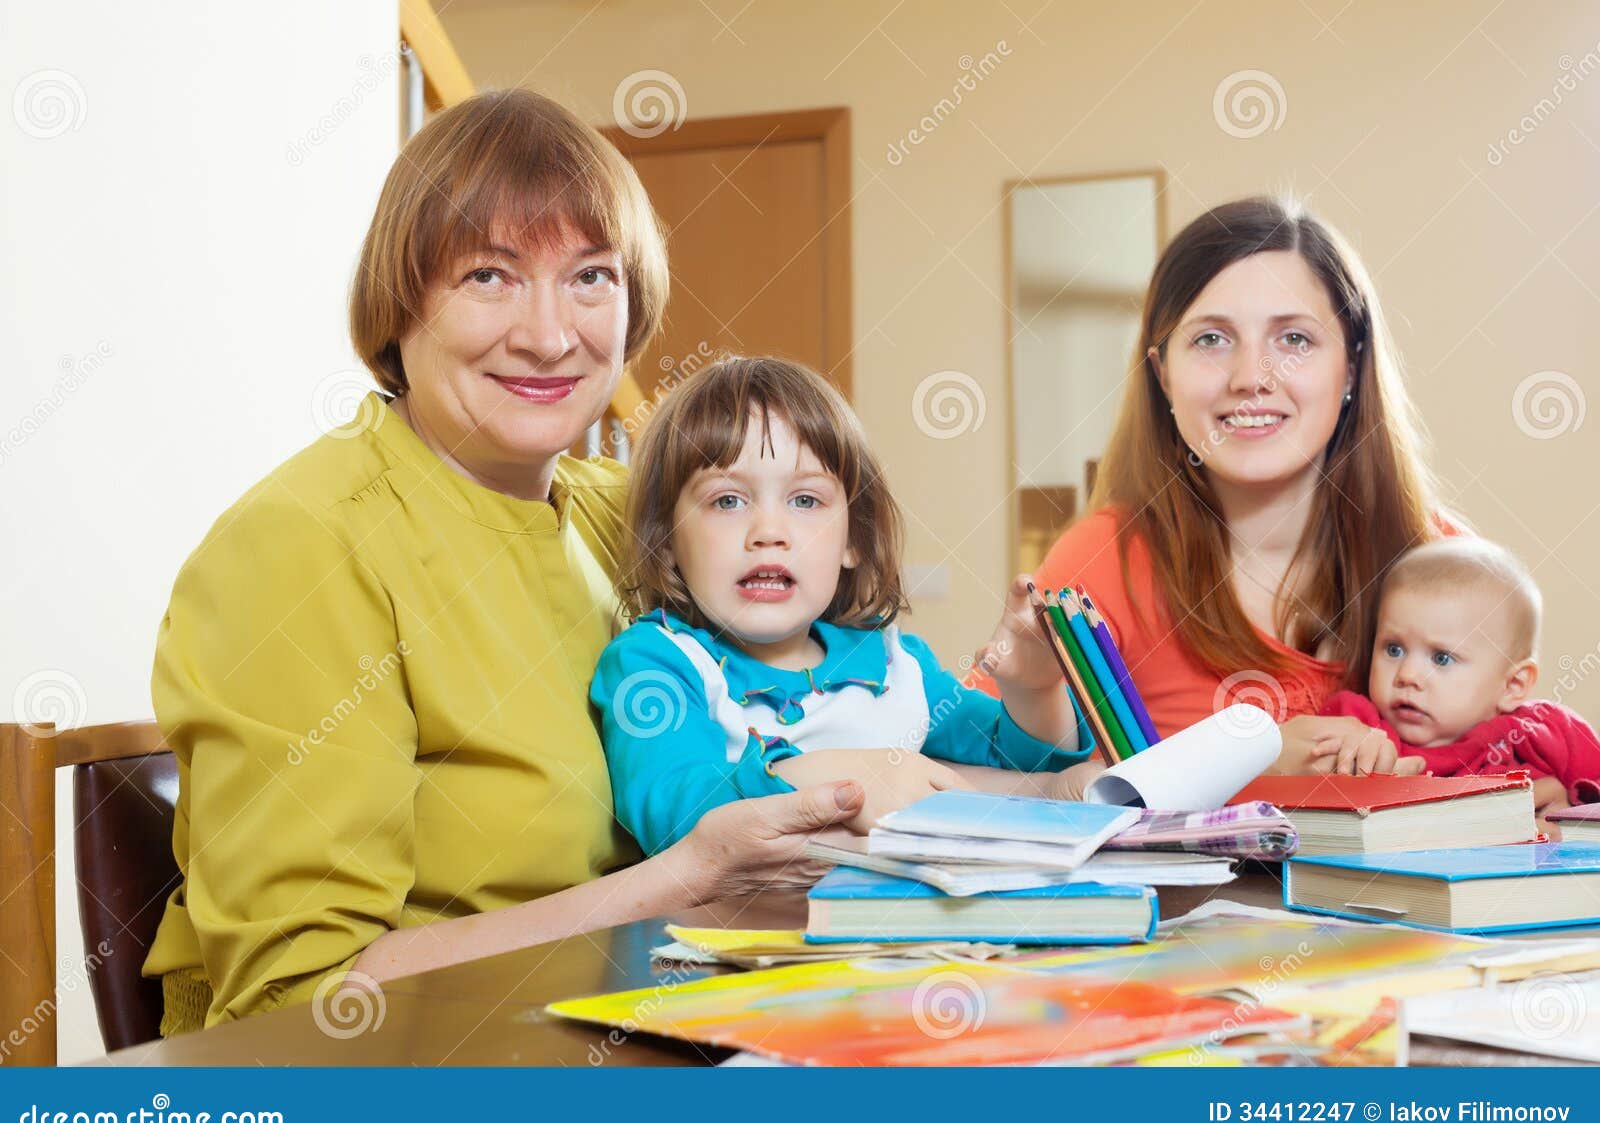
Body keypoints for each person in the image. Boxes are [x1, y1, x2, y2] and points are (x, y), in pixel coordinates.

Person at [141, 90, 867, 1035]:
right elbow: (301, 1004)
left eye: (591, 277)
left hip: (637, 1023)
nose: (550, 334)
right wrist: (682, 880)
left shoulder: (630, 512)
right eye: (490, 276)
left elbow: (830, 685)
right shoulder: (300, 548)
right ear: (400, 303)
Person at [998, 195, 1464, 775]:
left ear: (1351, 366)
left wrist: (1533, 785)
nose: (1251, 379)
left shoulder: (1440, 557)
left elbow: (1519, 740)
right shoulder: (1100, 561)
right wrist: (1247, 768)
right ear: (1162, 373)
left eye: (1293, 339)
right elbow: (1008, 786)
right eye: (1211, 340)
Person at [590, 356, 1094, 855]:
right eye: (728, 501)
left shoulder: (899, 665)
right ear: (668, 541)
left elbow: (1024, 767)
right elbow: (673, 815)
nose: (769, 533)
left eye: (805, 501)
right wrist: (841, 775)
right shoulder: (655, 663)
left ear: (854, 539)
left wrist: (1035, 691)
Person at [1320, 538, 1600, 832]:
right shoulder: (1358, 726)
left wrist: (1572, 822)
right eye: (1394, 649)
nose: (1408, 675)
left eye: (1441, 658)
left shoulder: (1547, 733)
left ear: (1512, 685)